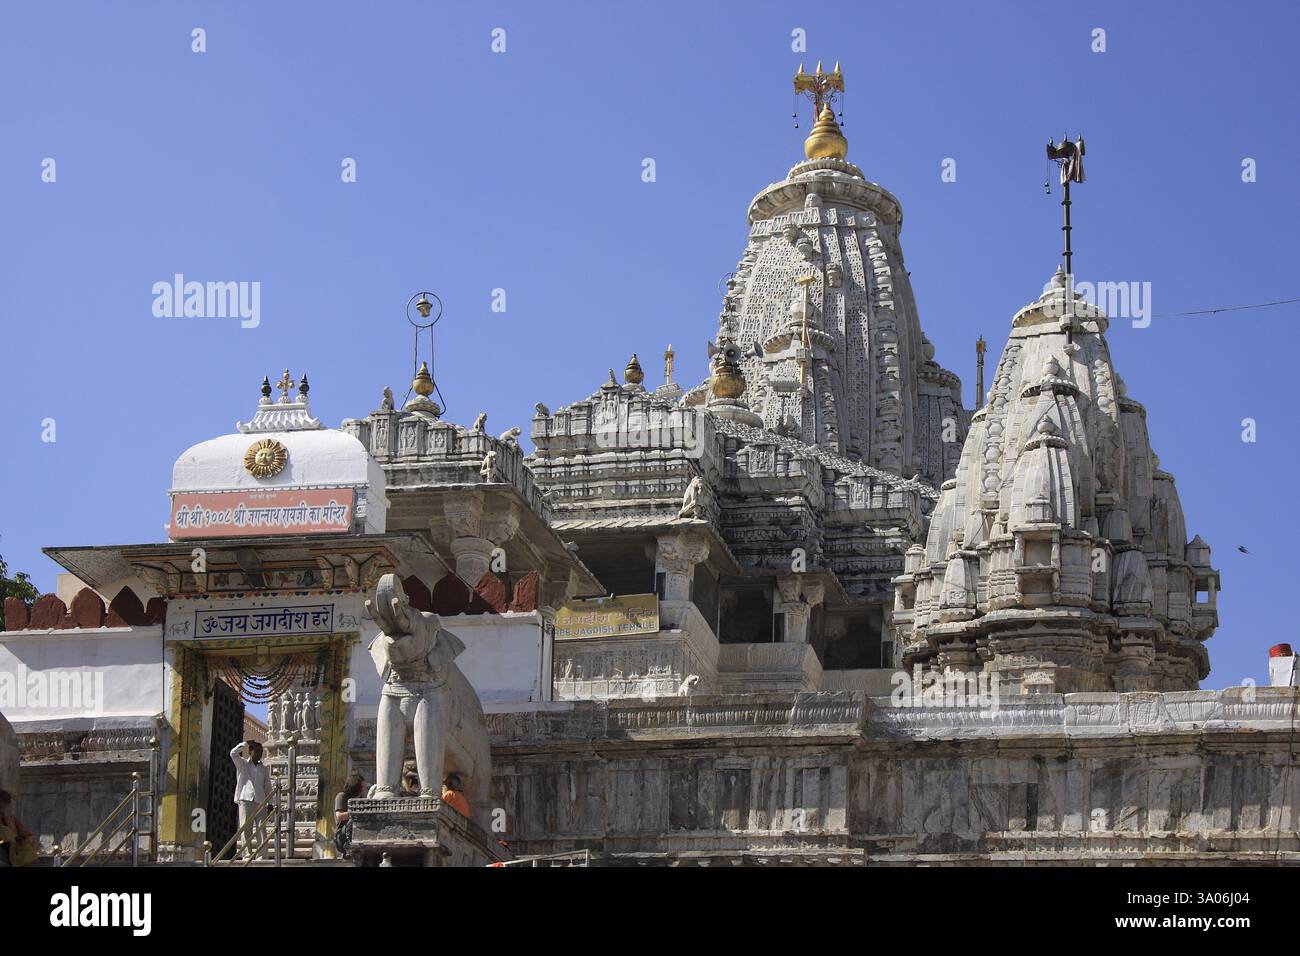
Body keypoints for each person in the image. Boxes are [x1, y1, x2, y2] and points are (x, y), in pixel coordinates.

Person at [230, 740, 271, 859]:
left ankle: (262, 855)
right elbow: (233, 753)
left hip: (260, 800)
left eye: (261, 752)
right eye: (257, 751)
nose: (259, 754)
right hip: (245, 799)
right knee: (246, 828)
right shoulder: (242, 764)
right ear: (250, 752)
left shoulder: (264, 769)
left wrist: (270, 802)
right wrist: (245, 743)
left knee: (261, 828)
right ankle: (247, 854)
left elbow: (268, 787)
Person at [0, 789, 39, 867]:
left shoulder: (11, 818)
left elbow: (25, 833)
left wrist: (25, 838)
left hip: (15, 849)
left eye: (7, 804)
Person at [333, 773, 365, 858]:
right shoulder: (342, 796)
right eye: (362, 787)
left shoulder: (359, 799)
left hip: (356, 834)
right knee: (353, 820)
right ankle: (349, 847)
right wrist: (356, 813)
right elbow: (339, 816)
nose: (363, 789)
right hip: (342, 837)